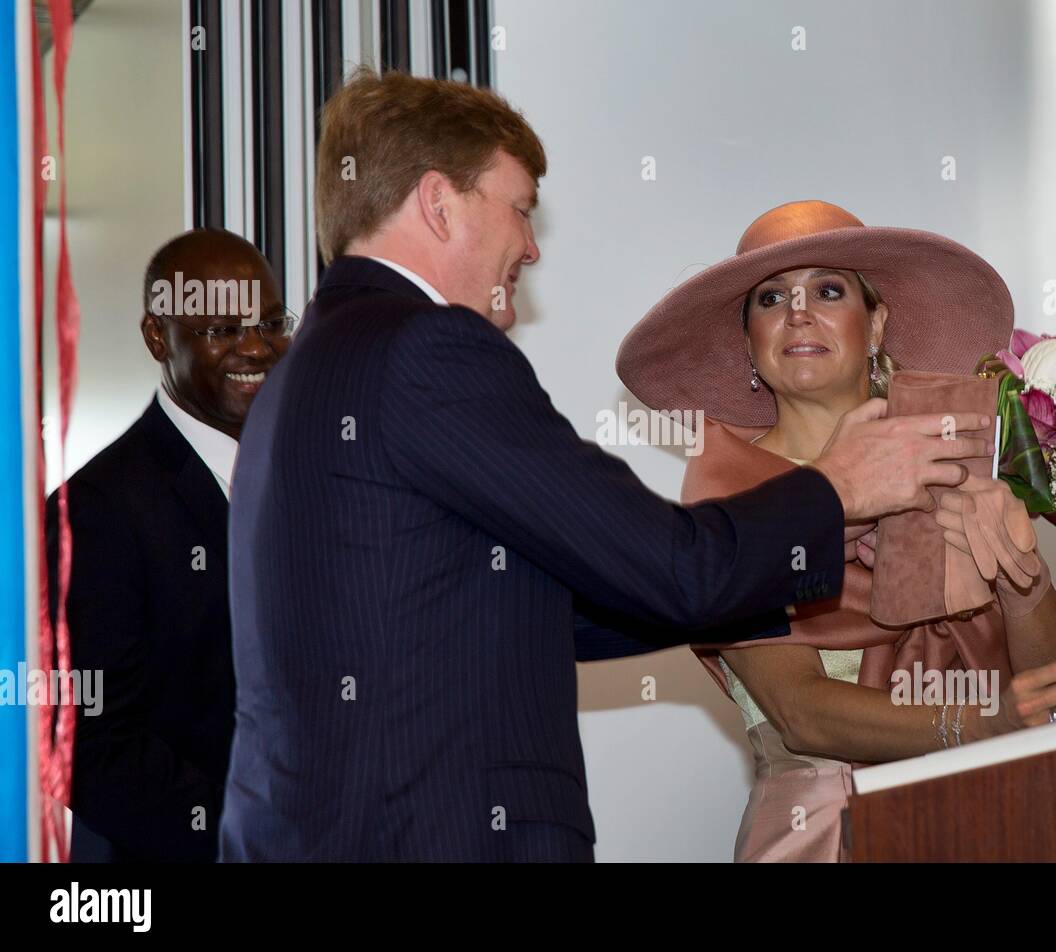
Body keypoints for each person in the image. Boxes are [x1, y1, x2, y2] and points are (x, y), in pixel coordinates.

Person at [218, 70, 997, 863]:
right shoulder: (428, 349)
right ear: (438, 202)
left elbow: (540, 605)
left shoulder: (305, 372)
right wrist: (837, 489)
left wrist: (777, 572)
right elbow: (664, 565)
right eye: (519, 208)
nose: (530, 244)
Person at [617, 200, 1056, 862]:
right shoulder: (731, 501)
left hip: (996, 817)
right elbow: (801, 714)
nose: (798, 313)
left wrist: (1021, 576)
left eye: (828, 290)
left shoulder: (952, 453)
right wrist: (987, 721)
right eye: (771, 298)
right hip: (826, 835)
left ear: (875, 326)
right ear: (750, 346)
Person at [48, 229, 292, 861]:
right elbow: (86, 741)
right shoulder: (100, 508)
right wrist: (249, 836)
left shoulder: (307, 483)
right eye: (222, 329)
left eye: (270, 322)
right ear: (159, 337)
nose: (256, 347)